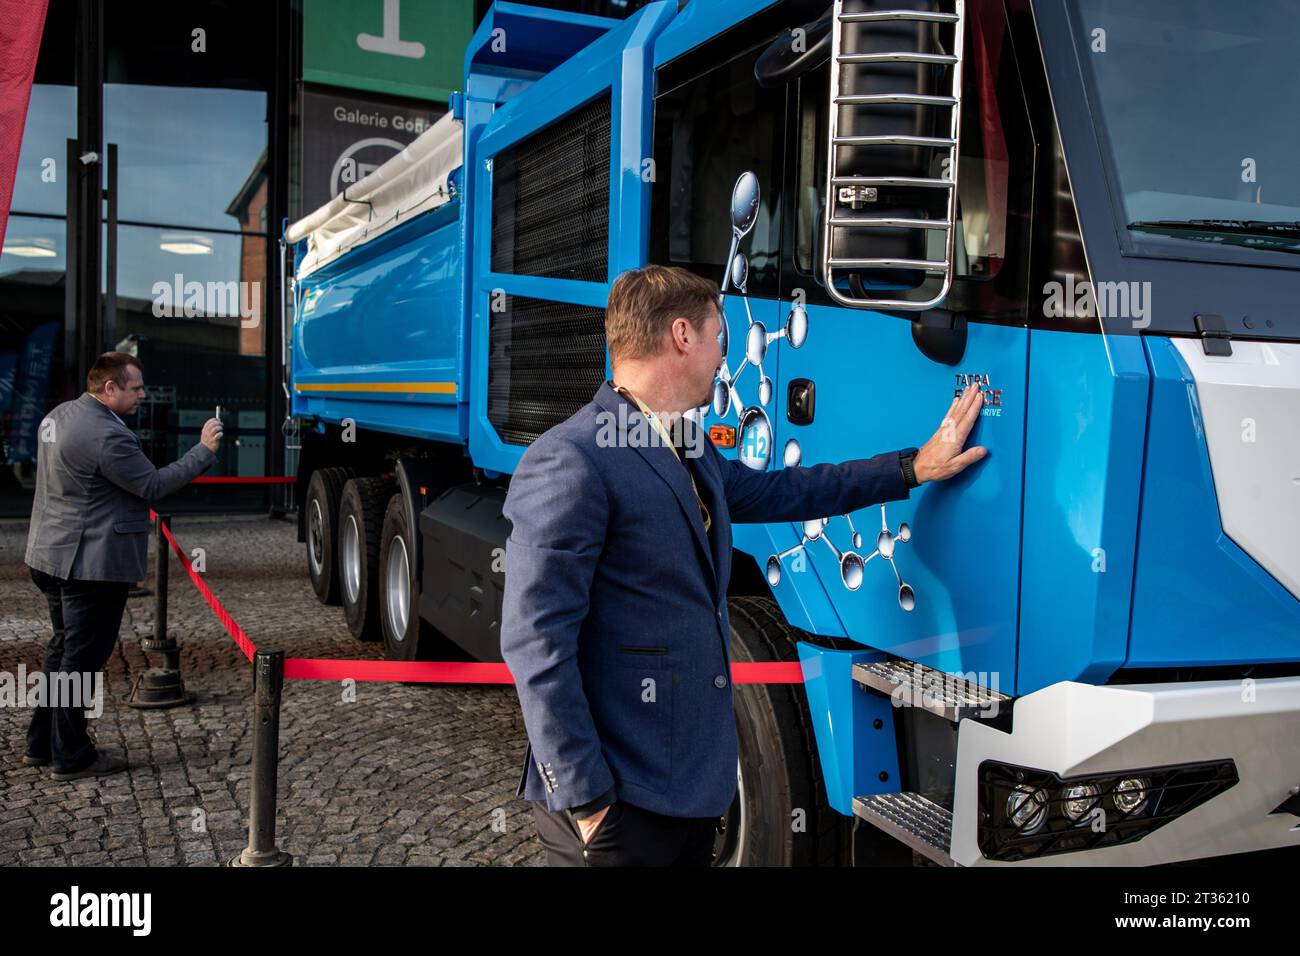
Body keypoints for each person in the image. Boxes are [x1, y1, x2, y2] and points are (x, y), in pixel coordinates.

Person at [500, 265, 988, 866]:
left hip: (687, 796)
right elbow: (535, 643)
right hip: (616, 809)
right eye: (717, 335)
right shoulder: (571, 460)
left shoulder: (689, 444)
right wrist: (585, 800)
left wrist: (912, 467)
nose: (722, 354)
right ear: (682, 336)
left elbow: (789, 491)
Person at [22, 351, 223, 780]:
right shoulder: (106, 435)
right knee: (79, 659)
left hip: (49, 556)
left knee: (62, 650)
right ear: (108, 389)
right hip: (88, 566)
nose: (142, 395)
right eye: (135, 388)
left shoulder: (58, 415)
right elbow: (153, 484)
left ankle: (41, 743)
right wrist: (203, 451)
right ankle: (71, 755)